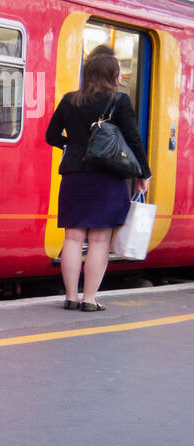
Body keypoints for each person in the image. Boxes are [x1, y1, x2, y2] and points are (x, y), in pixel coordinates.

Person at [45, 45, 150, 311]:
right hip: (107, 177)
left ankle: (70, 296)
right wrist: (143, 173)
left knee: (72, 238)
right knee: (100, 240)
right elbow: (134, 140)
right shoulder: (119, 101)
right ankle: (89, 299)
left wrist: (75, 144)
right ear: (112, 74)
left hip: (74, 177)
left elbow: (51, 137)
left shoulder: (70, 99)